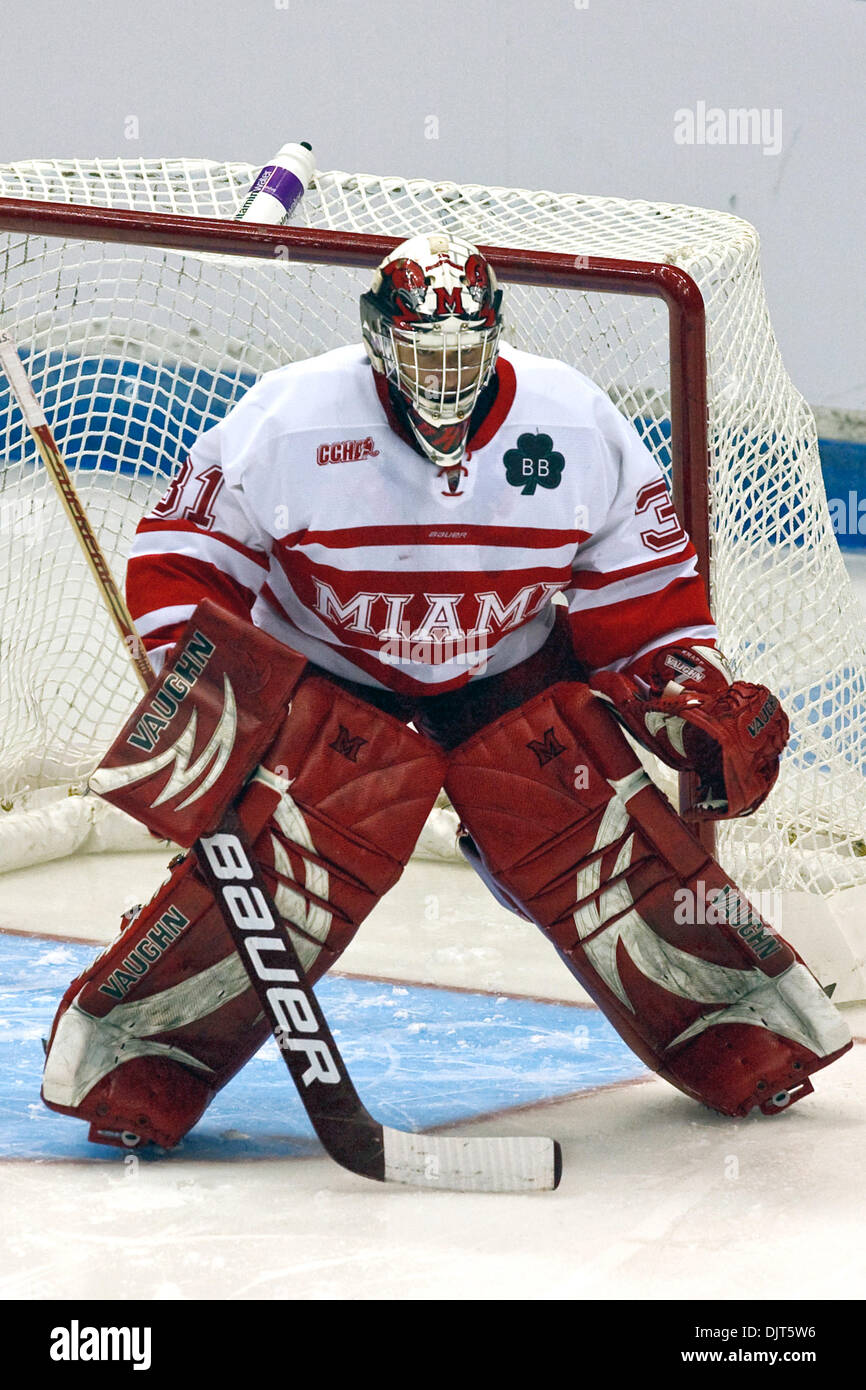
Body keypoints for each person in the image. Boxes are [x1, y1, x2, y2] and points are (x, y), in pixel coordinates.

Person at [41, 233, 850, 1149]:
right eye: (425, 355)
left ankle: (737, 1025)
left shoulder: (575, 424)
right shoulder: (292, 420)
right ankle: (133, 1054)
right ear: (380, 343)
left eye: (465, 354)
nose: (446, 378)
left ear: (496, 338)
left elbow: (644, 602)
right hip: (330, 677)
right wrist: (213, 700)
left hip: (505, 668)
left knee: (572, 795)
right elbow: (179, 561)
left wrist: (680, 691)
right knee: (307, 835)